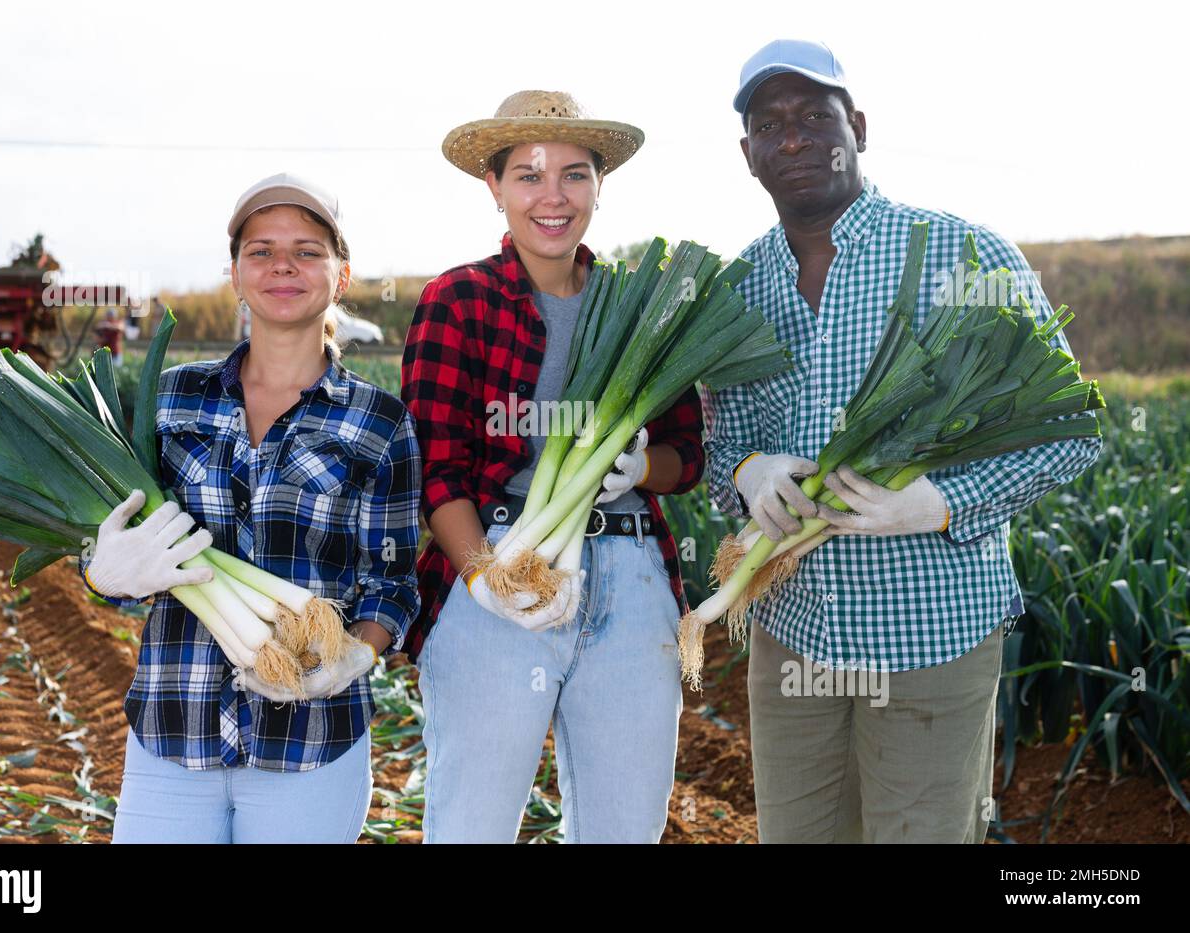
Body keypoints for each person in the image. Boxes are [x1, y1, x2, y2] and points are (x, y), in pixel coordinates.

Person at [704, 40, 1104, 843]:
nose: (794, 138)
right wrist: (748, 471)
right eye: (769, 124)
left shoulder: (964, 254)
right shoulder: (739, 284)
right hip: (793, 633)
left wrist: (943, 502)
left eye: (815, 116)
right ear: (747, 154)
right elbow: (724, 450)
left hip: (929, 634)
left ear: (857, 125)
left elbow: (1070, 429)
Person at [79, 173, 422, 843]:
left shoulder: (380, 422)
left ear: (342, 274)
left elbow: (394, 581)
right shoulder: (169, 399)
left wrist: (354, 654)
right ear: (235, 275)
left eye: (307, 250)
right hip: (172, 734)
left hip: (312, 743)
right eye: (261, 250)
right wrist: (103, 572)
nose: (282, 266)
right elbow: (110, 539)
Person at [401, 91, 706, 843]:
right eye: (529, 176)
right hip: (497, 566)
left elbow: (687, 456)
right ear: (495, 188)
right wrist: (485, 575)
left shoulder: (640, 306)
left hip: (632, 582)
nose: (553, 197)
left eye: (574, 174)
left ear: (600, 187)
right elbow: (434, 469)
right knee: (472, 824)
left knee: (625, 829)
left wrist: (642, 467)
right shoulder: (459, 300)